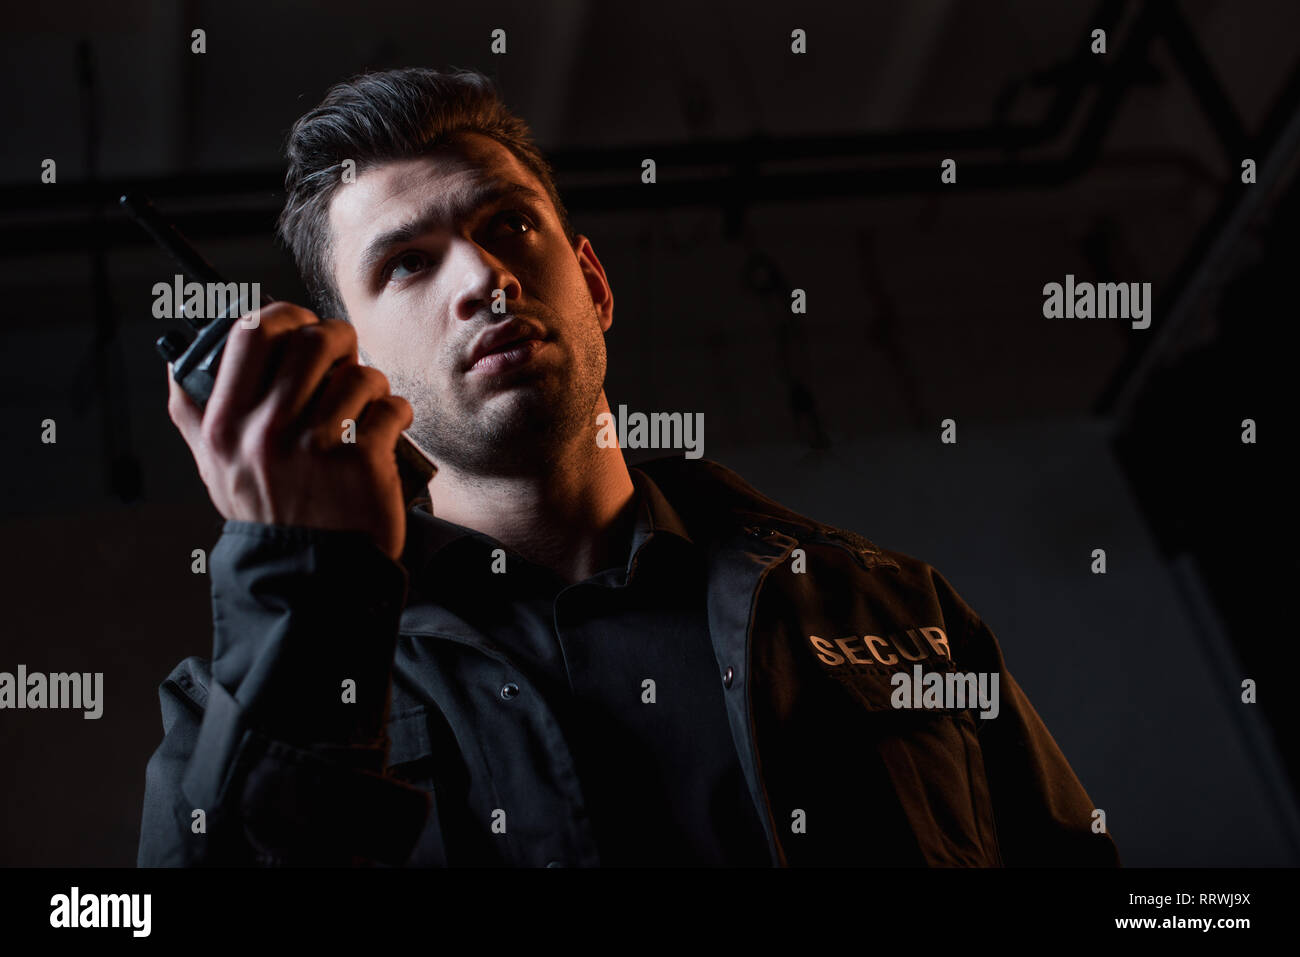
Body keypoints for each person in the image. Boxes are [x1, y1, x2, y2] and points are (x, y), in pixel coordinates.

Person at [138, 67, 1120, 868]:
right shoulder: (260, 691)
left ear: (595, 283)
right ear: (353, 357)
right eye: (407, 263)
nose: (484, 279)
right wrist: (304, 589)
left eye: (507, 226)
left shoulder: (891, 610)